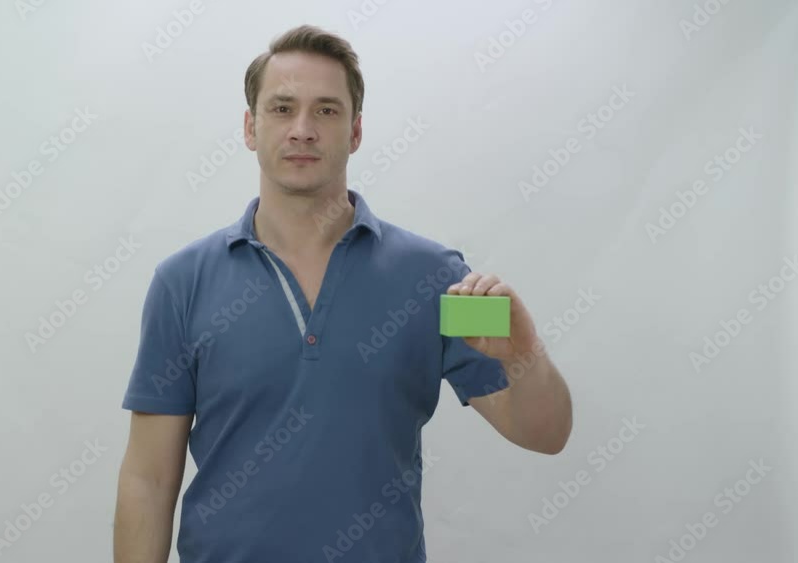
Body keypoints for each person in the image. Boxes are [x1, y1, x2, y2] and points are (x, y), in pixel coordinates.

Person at [114, 24, 572, 563]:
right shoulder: (182, 282)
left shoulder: (433, 277)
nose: (303, 129)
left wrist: (524, 353)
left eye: (326, 111)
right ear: (249, 127)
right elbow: (148, 479)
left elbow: (547, 434)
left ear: (355, 131)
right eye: (282, 108)